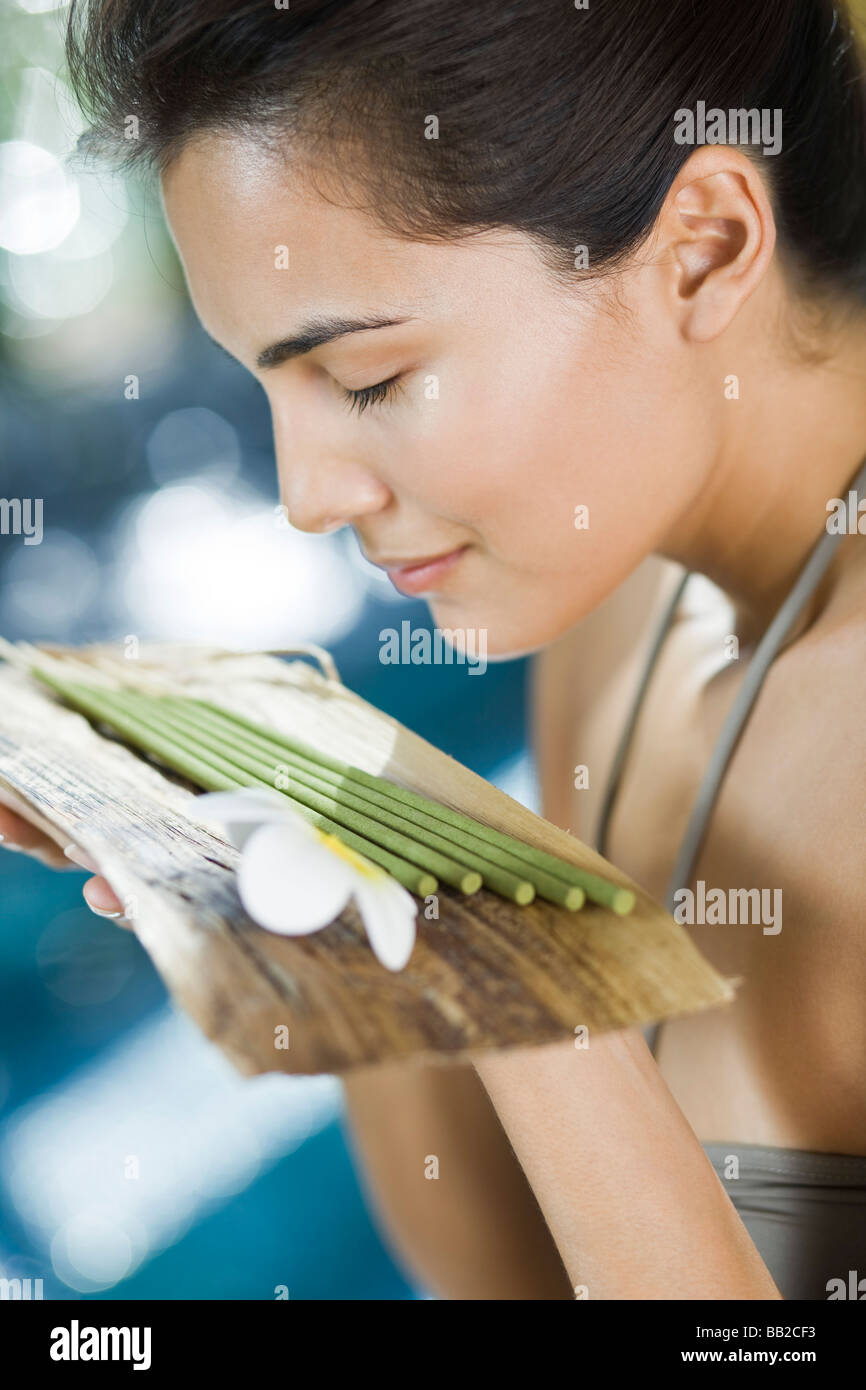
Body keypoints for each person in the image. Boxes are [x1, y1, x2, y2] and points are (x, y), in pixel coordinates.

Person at [3, 0, 866, 1298]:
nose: (306, 495)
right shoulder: (624, 617)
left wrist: (537, 985)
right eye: (262, 384)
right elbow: (502, 1281)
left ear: (703, 248)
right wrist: (388, 878)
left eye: (366, 378)